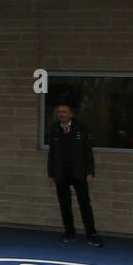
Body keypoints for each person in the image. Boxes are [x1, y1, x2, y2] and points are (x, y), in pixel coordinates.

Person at [47, 101, 101, 247]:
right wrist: (50, 174)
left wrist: (90, 172)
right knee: (65, 205)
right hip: (61, 174)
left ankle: (91, 234)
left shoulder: (81, 129)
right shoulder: (54, 129)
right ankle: (69, 232)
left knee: (84, 205)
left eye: (64, 112)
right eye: (59, 112)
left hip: (79, 173)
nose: (61, 115)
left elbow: (88, 153)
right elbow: (51, 154)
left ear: (71, 114)